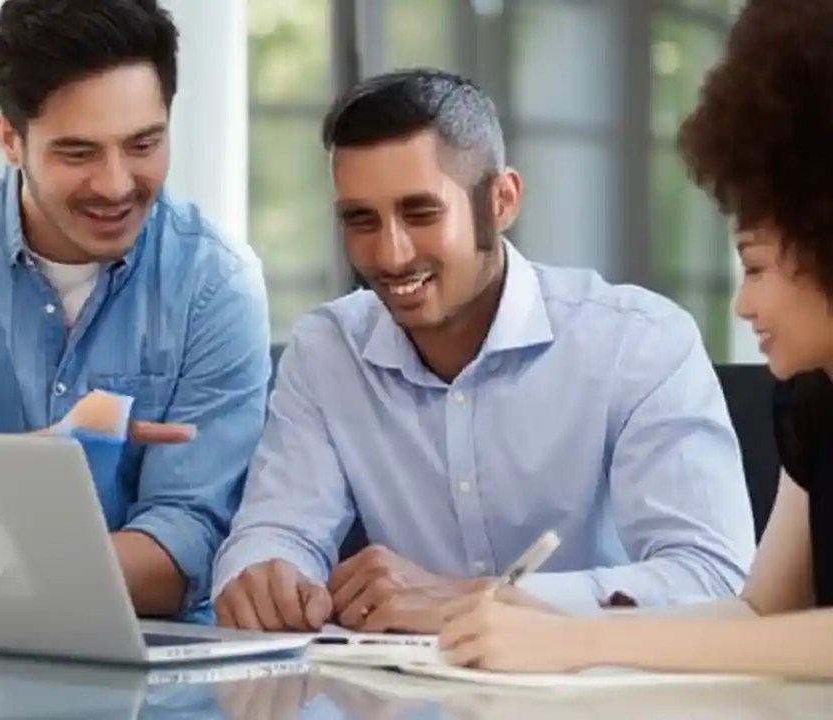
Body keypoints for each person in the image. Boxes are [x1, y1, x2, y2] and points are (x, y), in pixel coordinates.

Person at [212, 68, 756, 633]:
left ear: (501, 200)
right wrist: (267, 574)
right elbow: (275, 532)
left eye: (420, 213)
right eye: (361, 220)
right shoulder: (327, 350)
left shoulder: (638, 341)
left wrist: (483, 603)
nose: (391, 254)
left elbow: (716, 579)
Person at [437, 0, 833, 679]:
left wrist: (582, 645)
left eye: (759, 266)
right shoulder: (814, 404)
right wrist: (556, 621)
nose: (743, 304)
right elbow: (763, 614)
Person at [0, 0, 271, 621]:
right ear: (9, 139)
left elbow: (184, 545)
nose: (117, 184)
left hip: (156, 667)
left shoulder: (217, 284)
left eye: (143, 144)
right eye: (78, 153)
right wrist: (47, 450)